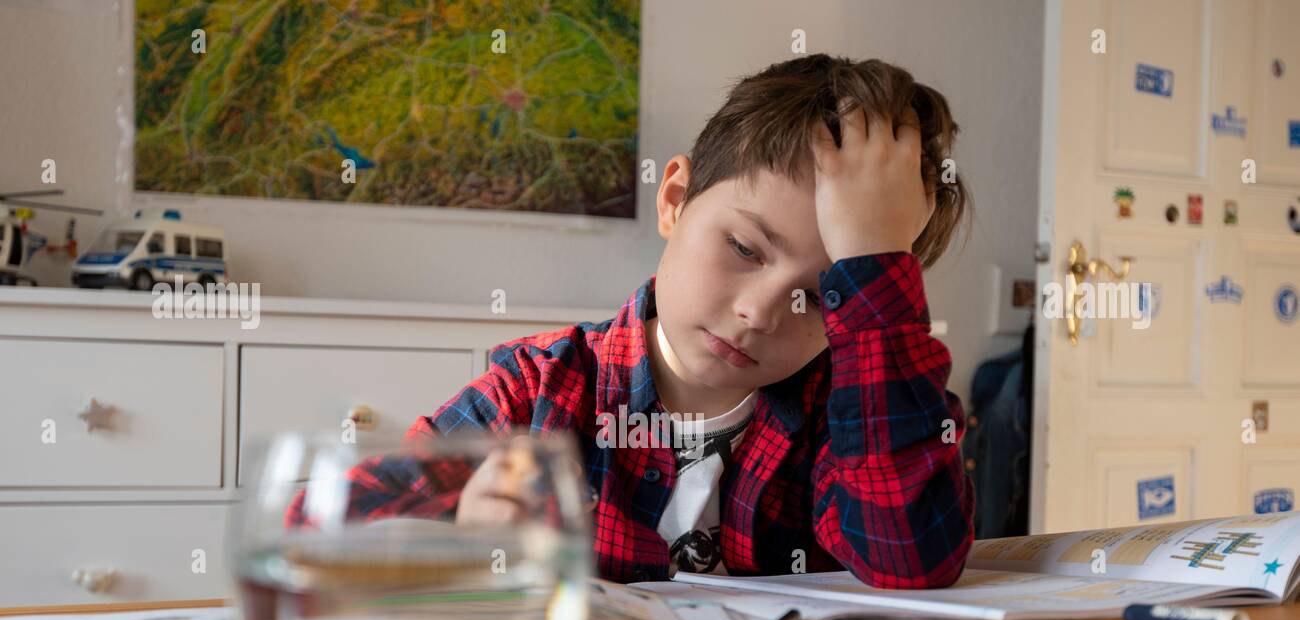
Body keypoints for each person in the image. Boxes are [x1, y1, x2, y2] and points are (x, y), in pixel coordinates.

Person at [290, 54, 975, 587]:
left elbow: (911, 556)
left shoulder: (852, 413)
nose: (759, 311)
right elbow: (312, 538)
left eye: (828, 294)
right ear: (675, 198)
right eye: (743, 248)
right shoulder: (537, 392)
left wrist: (877, 265)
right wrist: (454, 539)